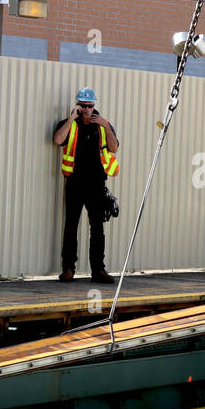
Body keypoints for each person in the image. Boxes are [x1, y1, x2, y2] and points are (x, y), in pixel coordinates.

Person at [52, 87, 119, 284]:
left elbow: (114, 147)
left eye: (90, 106)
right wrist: (72, 118)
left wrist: (106, 126)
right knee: (71, 226)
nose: (87, 110)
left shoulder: (103, 125)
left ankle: (98, 270)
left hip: (96, 183)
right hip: (74, 183)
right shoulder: (69, 123)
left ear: (94, 106)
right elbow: (58, 140)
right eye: (83, 106)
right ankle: (68, 269)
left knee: (97, 228)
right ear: (78, 106)